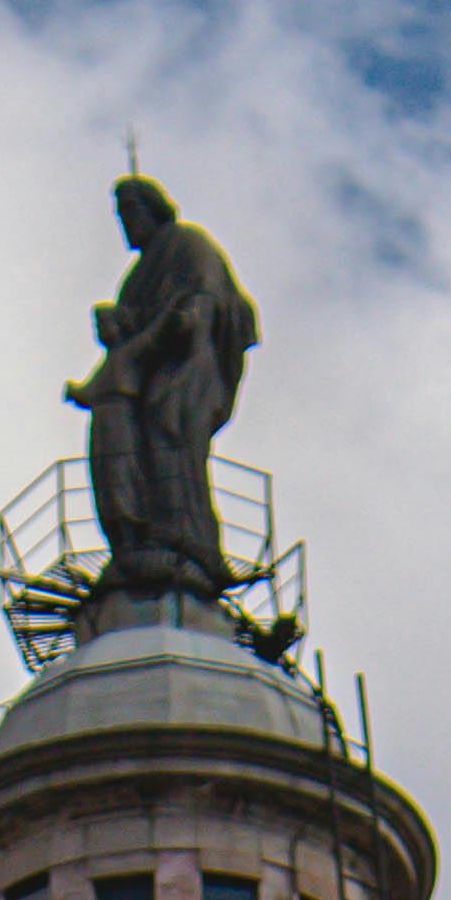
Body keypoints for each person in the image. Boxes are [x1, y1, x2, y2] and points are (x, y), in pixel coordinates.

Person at [67, 178, 258, 604]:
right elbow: (132, 329)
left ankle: (187, 543)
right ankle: (143, 540)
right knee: (133, 447)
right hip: (144, 371)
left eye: (132, 213)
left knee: (171, 441)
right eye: (121, 217)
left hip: (186, 364)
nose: (126, 225)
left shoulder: (187, 243)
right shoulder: (136, 277)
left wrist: (189, 319)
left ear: (155, 209)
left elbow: (206, 297)